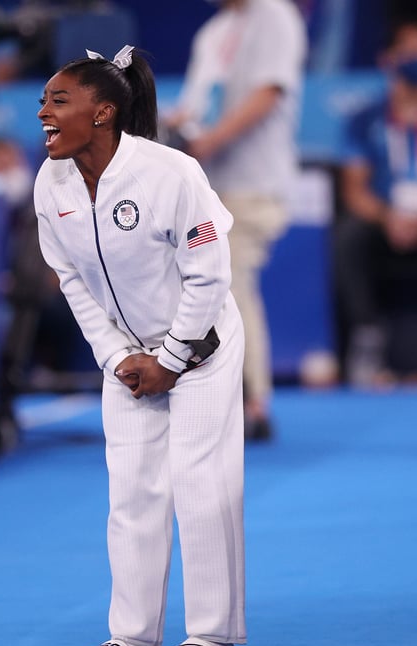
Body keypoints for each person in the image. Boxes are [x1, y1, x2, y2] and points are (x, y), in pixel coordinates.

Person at [33, 45, 246, 646]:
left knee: (200, 485)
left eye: (57, 100)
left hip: (200, 348)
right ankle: (132, 636)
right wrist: (116, 356)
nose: (42, 111)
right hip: (126, 358)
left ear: (102, 113)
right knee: (131, 490)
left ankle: (212, 635)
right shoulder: (53, 182)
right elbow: (69, 277)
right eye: (43, 100)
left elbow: (209, 276)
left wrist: (172, 357)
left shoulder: (171, 174)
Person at [163, 0, 307, 441]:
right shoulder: (211, 32)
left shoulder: (275, 15)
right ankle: (213, 397)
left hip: (252, 184)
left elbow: (269, 92)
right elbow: (194, 107)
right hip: (208, 186)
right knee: (205, 290)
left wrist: (209, 141)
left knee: (232, 287)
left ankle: (254, 404)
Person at [332, 20, 417, 387]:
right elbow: (354, 189)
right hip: (382, 218)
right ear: (388, 59)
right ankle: (366, 337)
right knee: (348, 237)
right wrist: (390, 218)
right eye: (409, 49)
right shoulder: (365, 118)